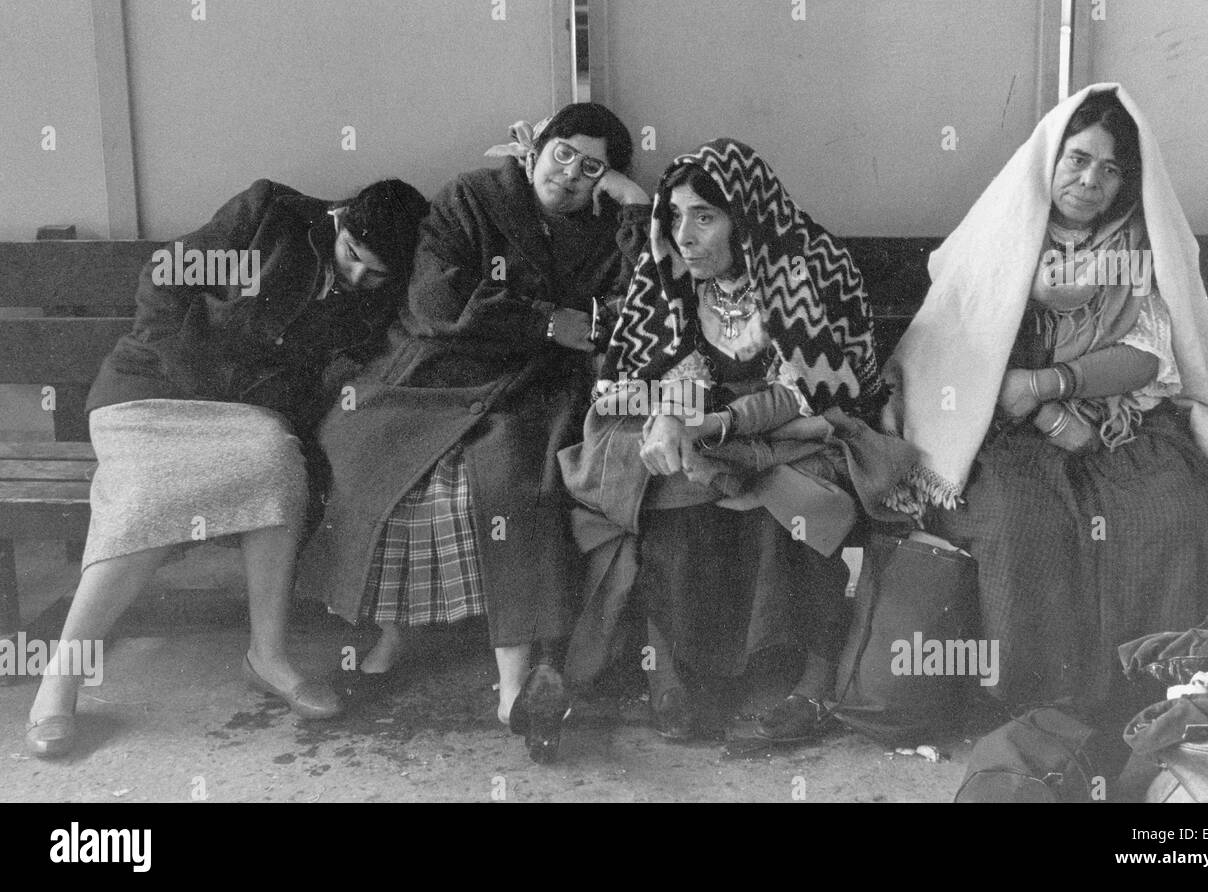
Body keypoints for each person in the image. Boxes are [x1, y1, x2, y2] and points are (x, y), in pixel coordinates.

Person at [884, 85, 1208, 722]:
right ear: (1050, 160)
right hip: (1009, 430)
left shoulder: (1139, 244)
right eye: (1077, 159)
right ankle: (1034, 701)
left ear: (1127, 183)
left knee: (1170, 509)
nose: (1089, 181)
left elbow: (1149, 355)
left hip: (1121, 420)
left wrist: (1050, 387)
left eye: (1110, 170)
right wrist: (1033, 408)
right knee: (1018, 519)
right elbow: (958, 349)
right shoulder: (1003, 233)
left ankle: (1148, 696)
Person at [25, 177, 429, 757]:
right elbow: (162, 286)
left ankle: (268, 657)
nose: (360, 279)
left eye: (378, 274)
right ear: (339, 223)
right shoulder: (269, 219)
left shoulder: (380, 296)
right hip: (151, 389)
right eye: (352, 257)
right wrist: (210, 388)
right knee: (146, 496)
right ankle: (58, 682)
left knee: (277, 467)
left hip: (251, 417)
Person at [297, 103, 650, 763]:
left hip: (529, 390)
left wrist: (633, 207)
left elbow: (642, 301)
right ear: (534, 150)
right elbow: (435, 305)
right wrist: (546, 321)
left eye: (593, 168)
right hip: (428, 375)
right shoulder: (472, 199)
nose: (571, 175)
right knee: (383, 471)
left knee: (517, 487)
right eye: (563, 154)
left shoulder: (603, 229)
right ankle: (392, 639)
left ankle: (516, 688)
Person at [560, 139, 915, 743]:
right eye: (674, 215)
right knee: (665, 485)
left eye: (705, 215)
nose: (685, 234)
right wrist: (678, 415)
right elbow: (641, 369)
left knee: (798, 502)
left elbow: (812, 391)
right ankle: (675, 671)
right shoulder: (668, 271)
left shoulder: (810, 264)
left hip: (801, 428)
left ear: (744, 217)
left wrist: (711, 425)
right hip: (701, 421)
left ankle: (810, 675)